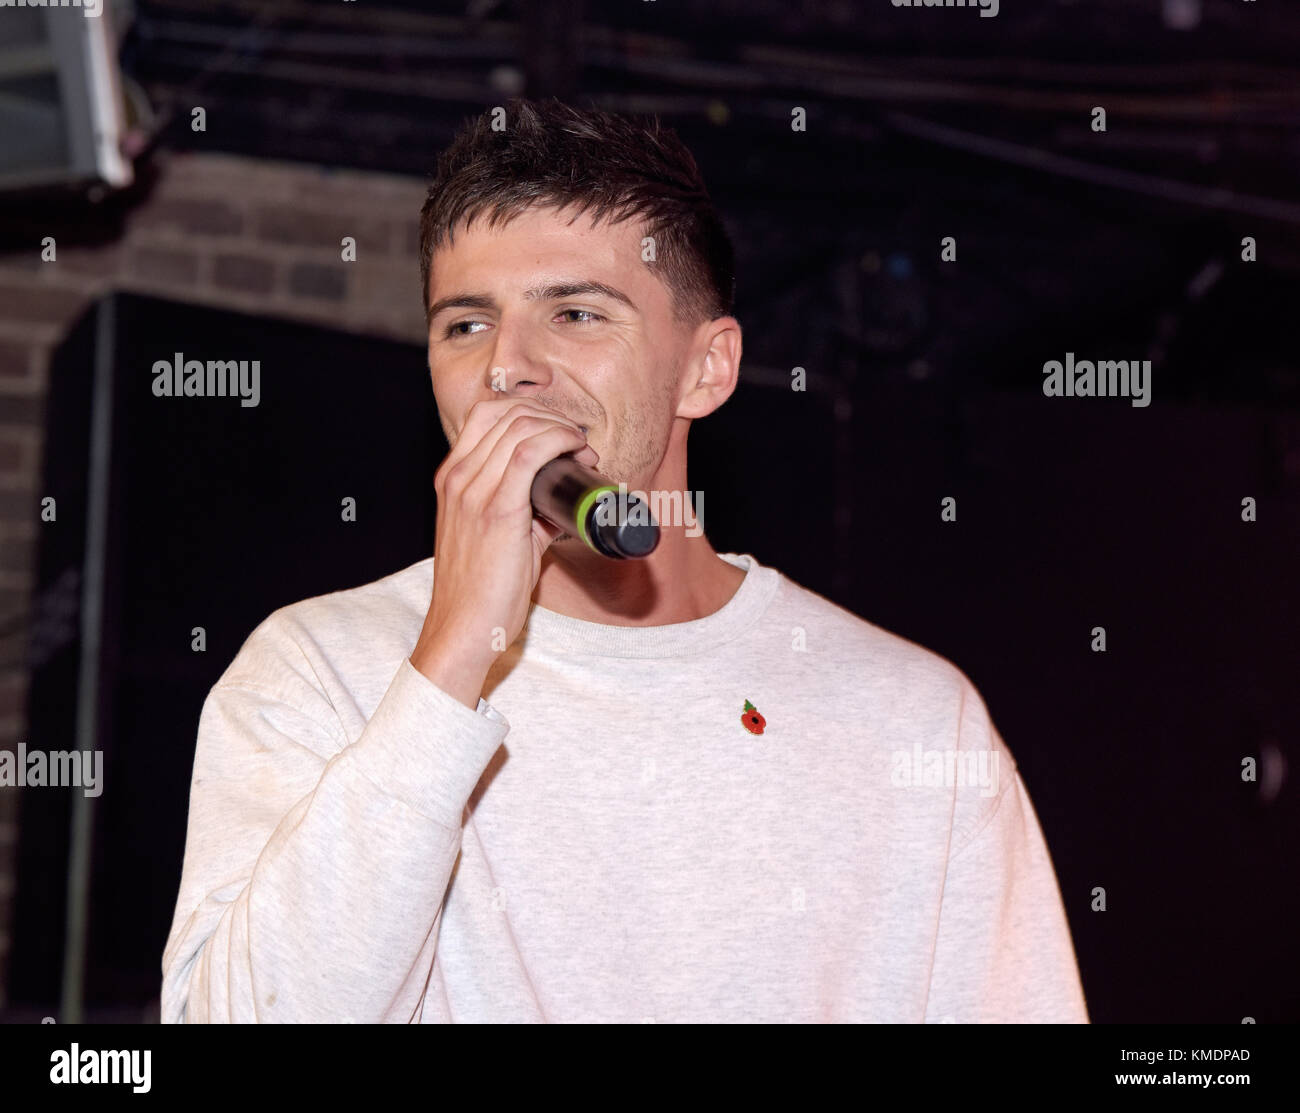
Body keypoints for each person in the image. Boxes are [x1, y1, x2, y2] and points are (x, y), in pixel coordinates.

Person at [161, 97, 1089, 1023]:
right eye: (466, 325)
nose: (508, 368)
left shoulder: (912, 718)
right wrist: (449, 663)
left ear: (707, 368)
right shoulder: (318, 671)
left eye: (574, 312)